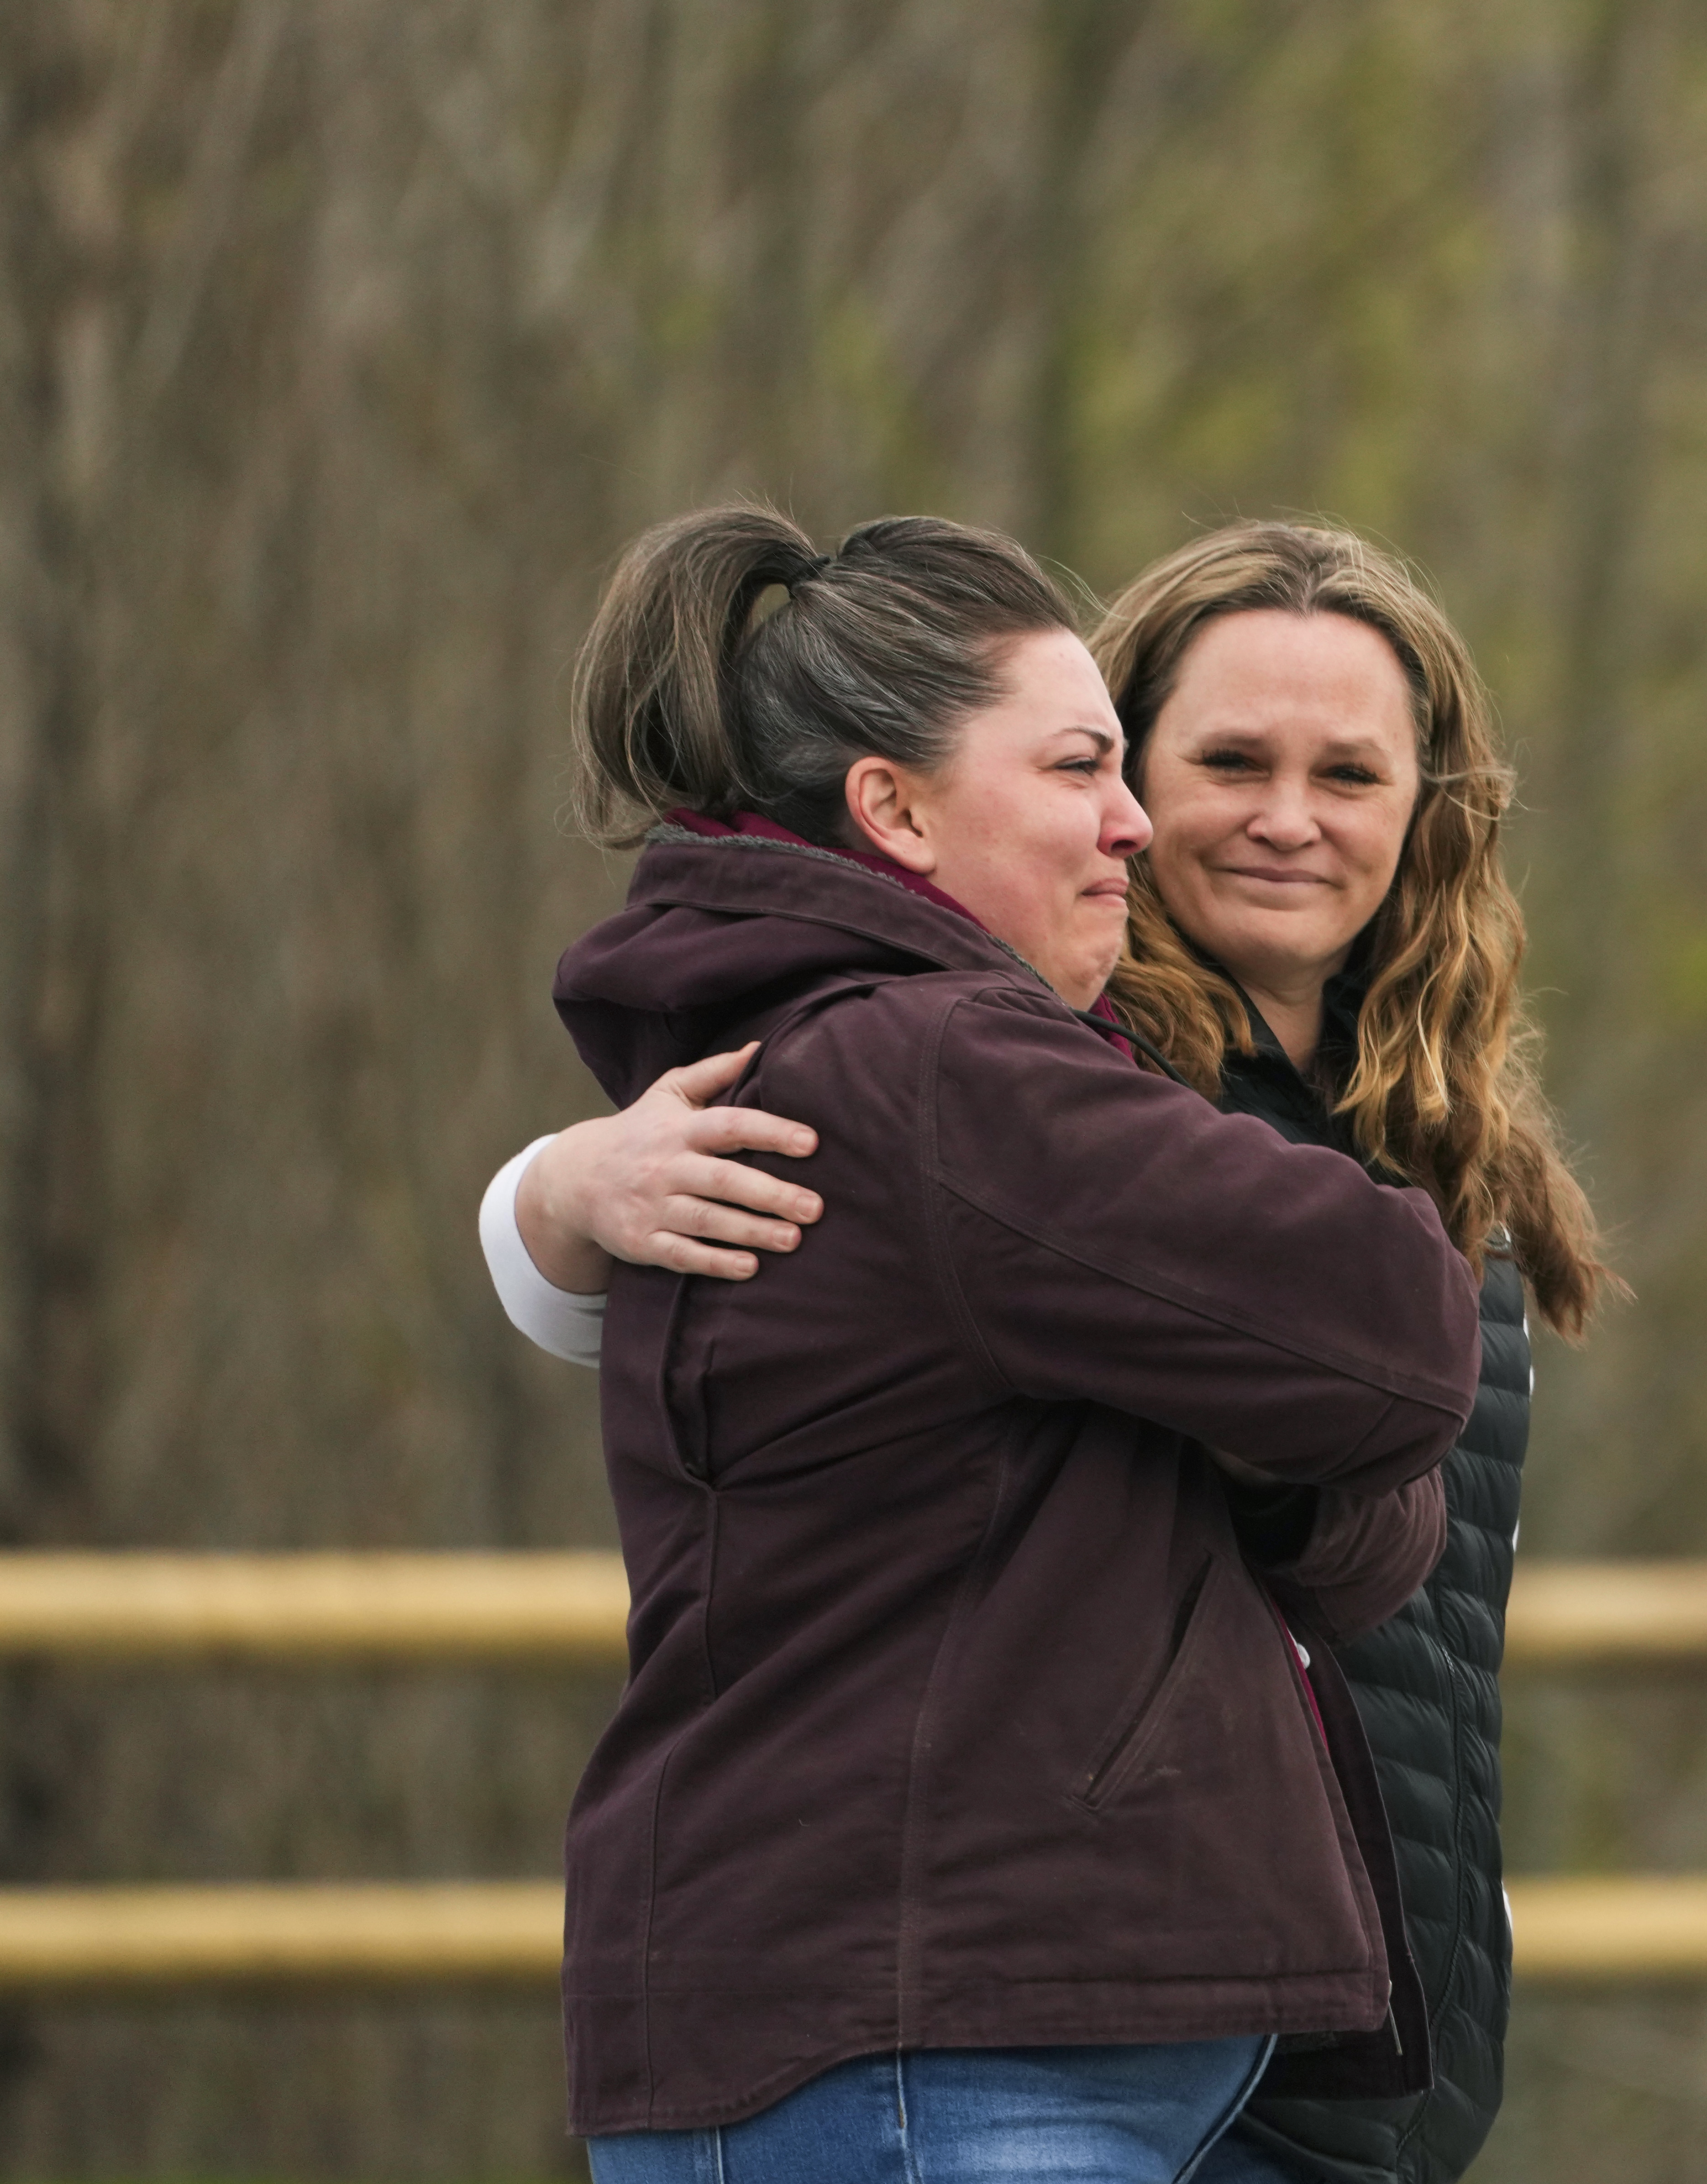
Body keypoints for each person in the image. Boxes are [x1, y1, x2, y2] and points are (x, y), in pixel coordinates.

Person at [484, 521, 1610, 2183]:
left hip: (1340, 2037)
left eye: (1351, 773)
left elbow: (1404, 1573)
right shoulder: (1012, 1064)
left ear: (1430, 813)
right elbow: (732, 1319)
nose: (1284, 817)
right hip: (1064, 2005)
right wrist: (547, 1199)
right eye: (1221, 759)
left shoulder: (1443, 1159)